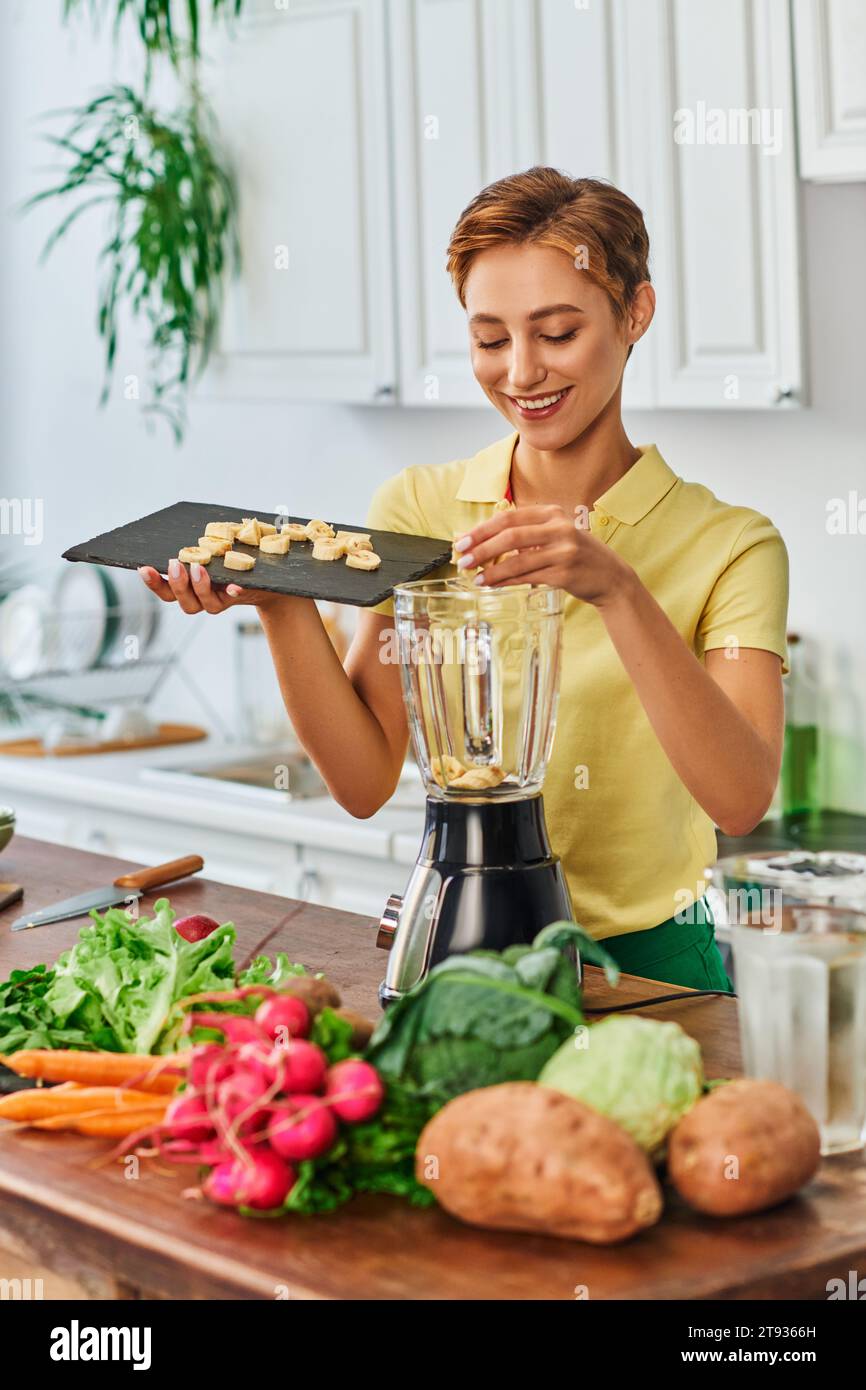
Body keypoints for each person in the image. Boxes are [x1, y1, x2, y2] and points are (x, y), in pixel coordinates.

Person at [139, 167, 788, 990]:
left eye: (556, 334)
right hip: (460, 952)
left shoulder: (731, 544)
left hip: (654, 971)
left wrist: (618, 592)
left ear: (635, 314)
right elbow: (365, 779)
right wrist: (282, 610)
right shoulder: (420, 507)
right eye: (489, 339)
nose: (521, 373)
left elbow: (740, 799)